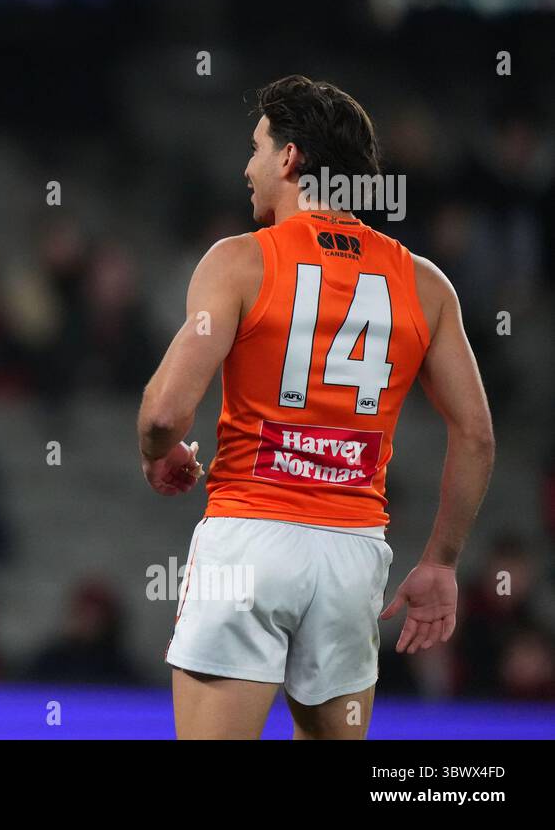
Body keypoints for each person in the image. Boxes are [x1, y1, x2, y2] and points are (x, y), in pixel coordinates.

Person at [137, 75, 494, 739]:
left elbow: (165, 412)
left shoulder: (238, 261)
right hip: (352, 553)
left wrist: (161, 456)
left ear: (291, 159)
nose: (247, 167)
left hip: (248, 533)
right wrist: (441, 560)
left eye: (256, 148)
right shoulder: (425, 283)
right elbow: (475, 435)